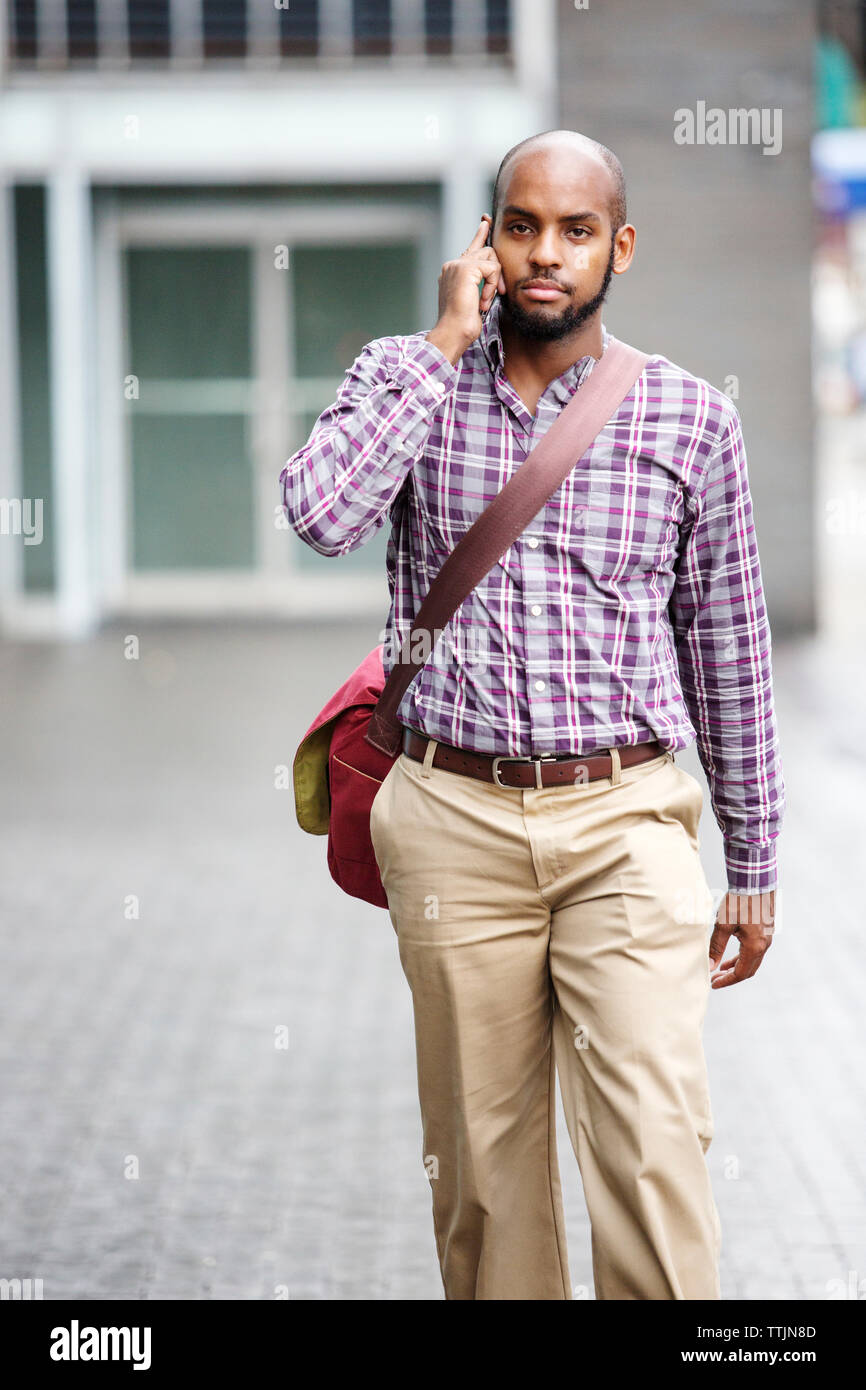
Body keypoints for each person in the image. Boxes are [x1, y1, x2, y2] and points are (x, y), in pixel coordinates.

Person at [279, 129, 785, 1301]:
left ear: (620, 246)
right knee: (485, 1181)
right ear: (485, 243)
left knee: (655, 1156)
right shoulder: (402, 376)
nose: (543, 254)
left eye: (571, 230)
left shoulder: (689, 420)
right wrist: (443, 340)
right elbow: (318, 515)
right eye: (519, 226)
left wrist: (752, 861)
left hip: (626, 823)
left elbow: (729, 650)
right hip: (450, 814)